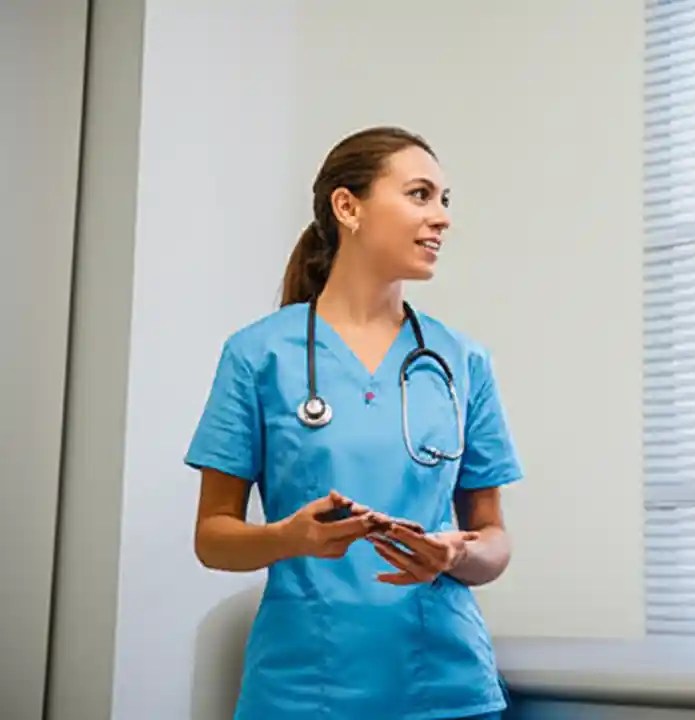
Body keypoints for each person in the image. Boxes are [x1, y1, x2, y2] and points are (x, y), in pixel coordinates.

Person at [186, 126, 522, 720]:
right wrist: (290, 538)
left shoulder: (462, 361)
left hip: (446, 688)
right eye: (420, 194)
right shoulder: (259, 355)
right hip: (303, 692)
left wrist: (452, 555)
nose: (441, 218)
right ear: (349, 208)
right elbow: (213, 536)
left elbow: (493, 539)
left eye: (446, 200)